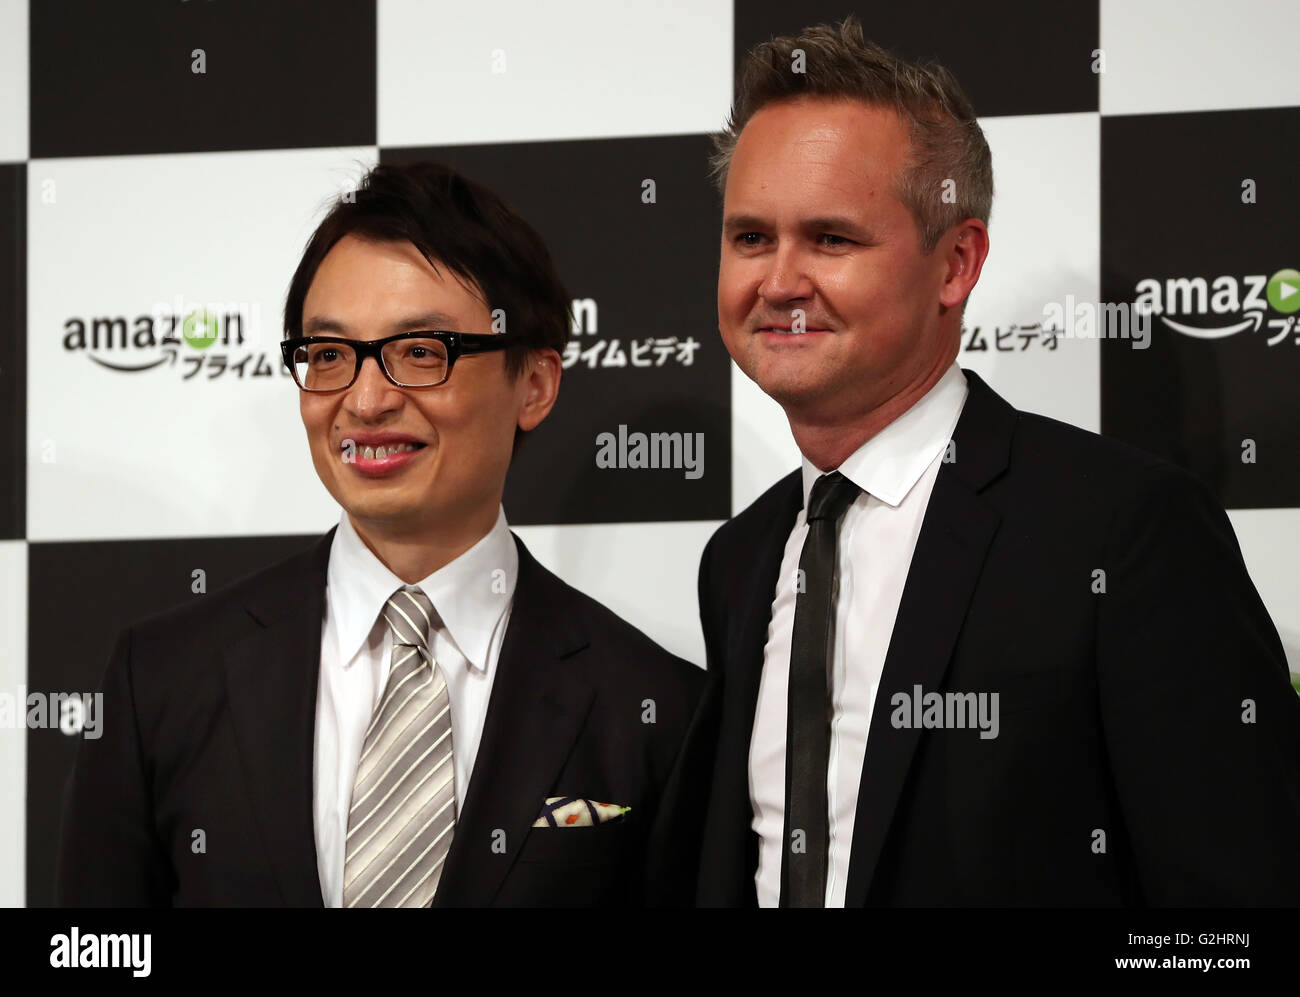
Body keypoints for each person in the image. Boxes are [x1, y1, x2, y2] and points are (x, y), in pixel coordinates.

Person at [695, 16, 1300, 907]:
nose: (779, 281)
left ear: (956, 264)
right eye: (750, 237)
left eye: (830, 238)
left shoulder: (1128, 534)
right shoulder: (739, 561)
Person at [56, 161, 714, 907]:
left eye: (420, 352)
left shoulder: (653, 707)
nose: (366, 400)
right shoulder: (164, 678)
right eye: (330, 355)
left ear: (534, 382)